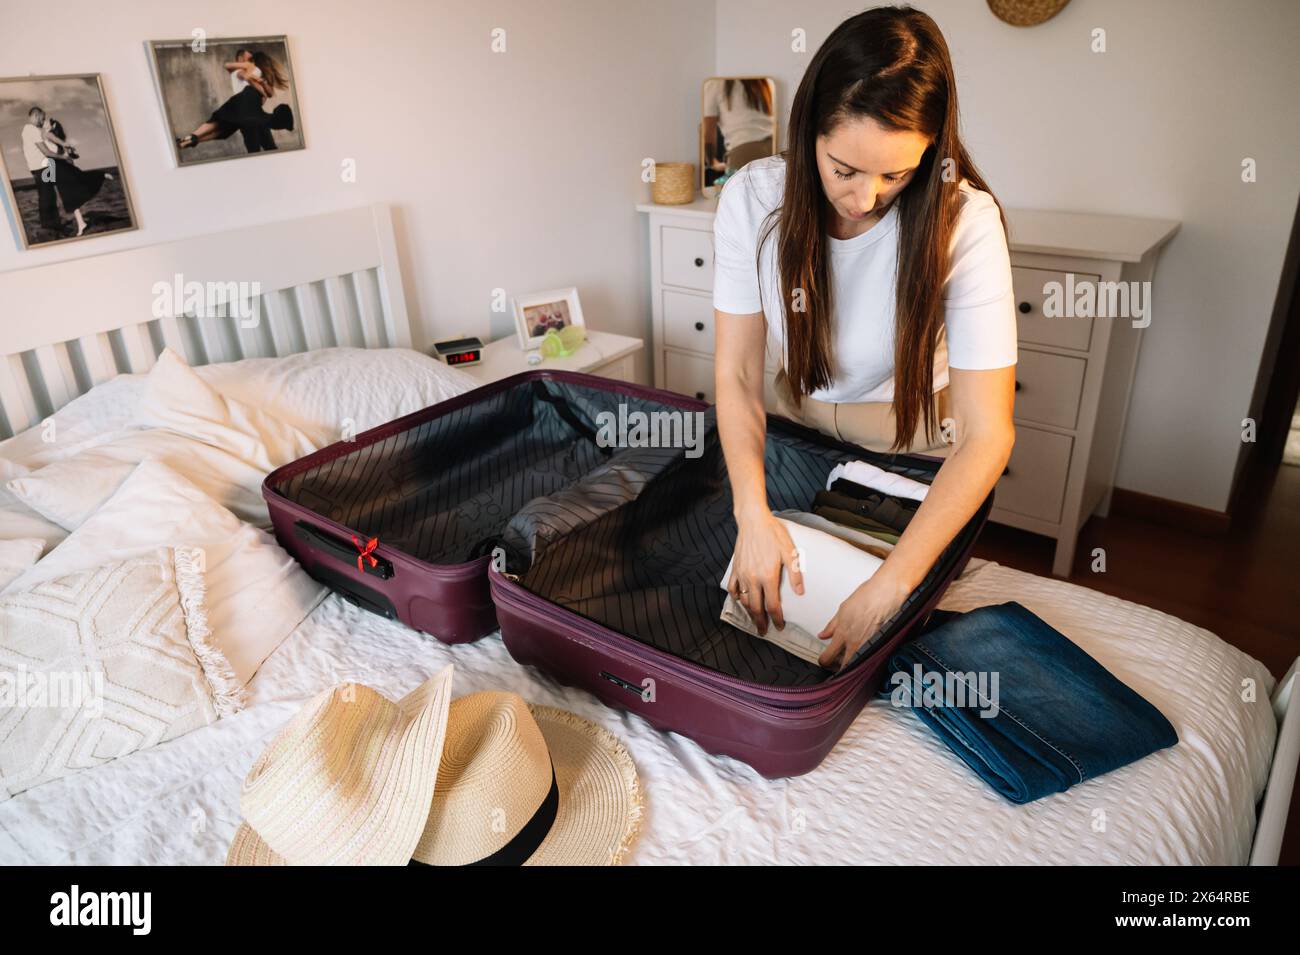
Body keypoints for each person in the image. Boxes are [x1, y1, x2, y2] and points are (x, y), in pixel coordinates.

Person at [714, 6, 1017, 671]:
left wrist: (889, 586)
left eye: (897, 175)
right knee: (739, 603)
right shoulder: (752, 199)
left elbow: (988, 434)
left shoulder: (966, 223)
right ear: (810, 130)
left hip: (911, 447)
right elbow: (737, 376)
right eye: (845, 168)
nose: (866, 198)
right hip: (795, 430)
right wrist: (753, 517)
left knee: (872, 641)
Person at [177, 48, 294, 153]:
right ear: (240, 59)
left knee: (220, 127)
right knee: (256, 143)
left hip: (243, 109)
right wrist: (260, 87)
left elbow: (267, 92)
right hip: (246, 106)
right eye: (248, 57)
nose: (250, 59)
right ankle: (193, 138)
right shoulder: (242, 71)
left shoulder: (244, 71)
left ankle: (193, 138)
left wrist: (261, 84)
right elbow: (246, 77)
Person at [43, 115, 109, 237]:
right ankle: (81, 223)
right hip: (59, 167)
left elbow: (60, 149)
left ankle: (101, 174)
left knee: (70, 194)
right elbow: (66, 152)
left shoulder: (48, 134)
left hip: (59, 168)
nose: (44, 123)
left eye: (47, 122)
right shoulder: (56, 136)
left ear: (52, 126)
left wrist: (68, 150)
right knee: (71, 196)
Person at [20, 107, 62, 237]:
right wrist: (64, 157)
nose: (43, 121)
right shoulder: (30, 129)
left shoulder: (30, 130)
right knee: (46, 196)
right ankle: (49, 225)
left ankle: (53, 224)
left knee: (49, 195)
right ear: (36, 116)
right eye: (42, 118)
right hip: (40, 167)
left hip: (42, 166)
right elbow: (46, 152)